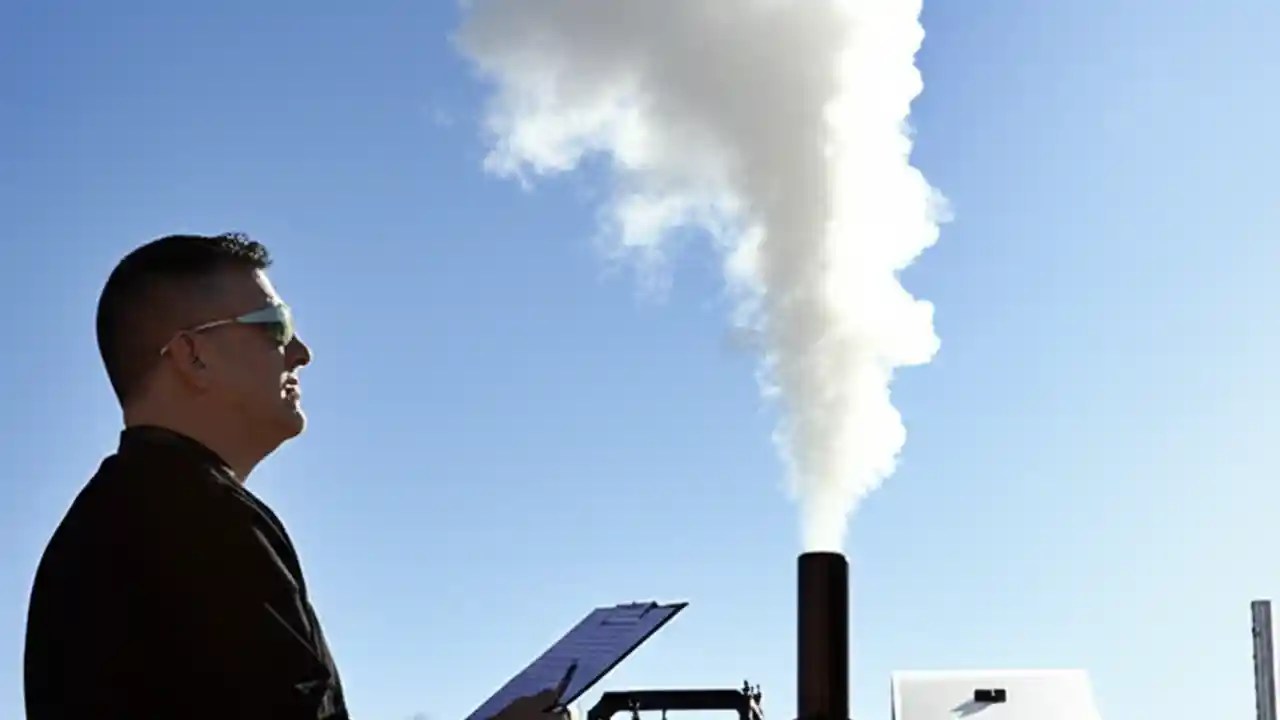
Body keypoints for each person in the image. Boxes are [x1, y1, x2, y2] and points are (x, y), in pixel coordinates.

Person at [23, 233, 568, 720]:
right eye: (275, 327)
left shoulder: (100, 525)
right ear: (192, 355)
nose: (301, 353)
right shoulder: (203, 520)